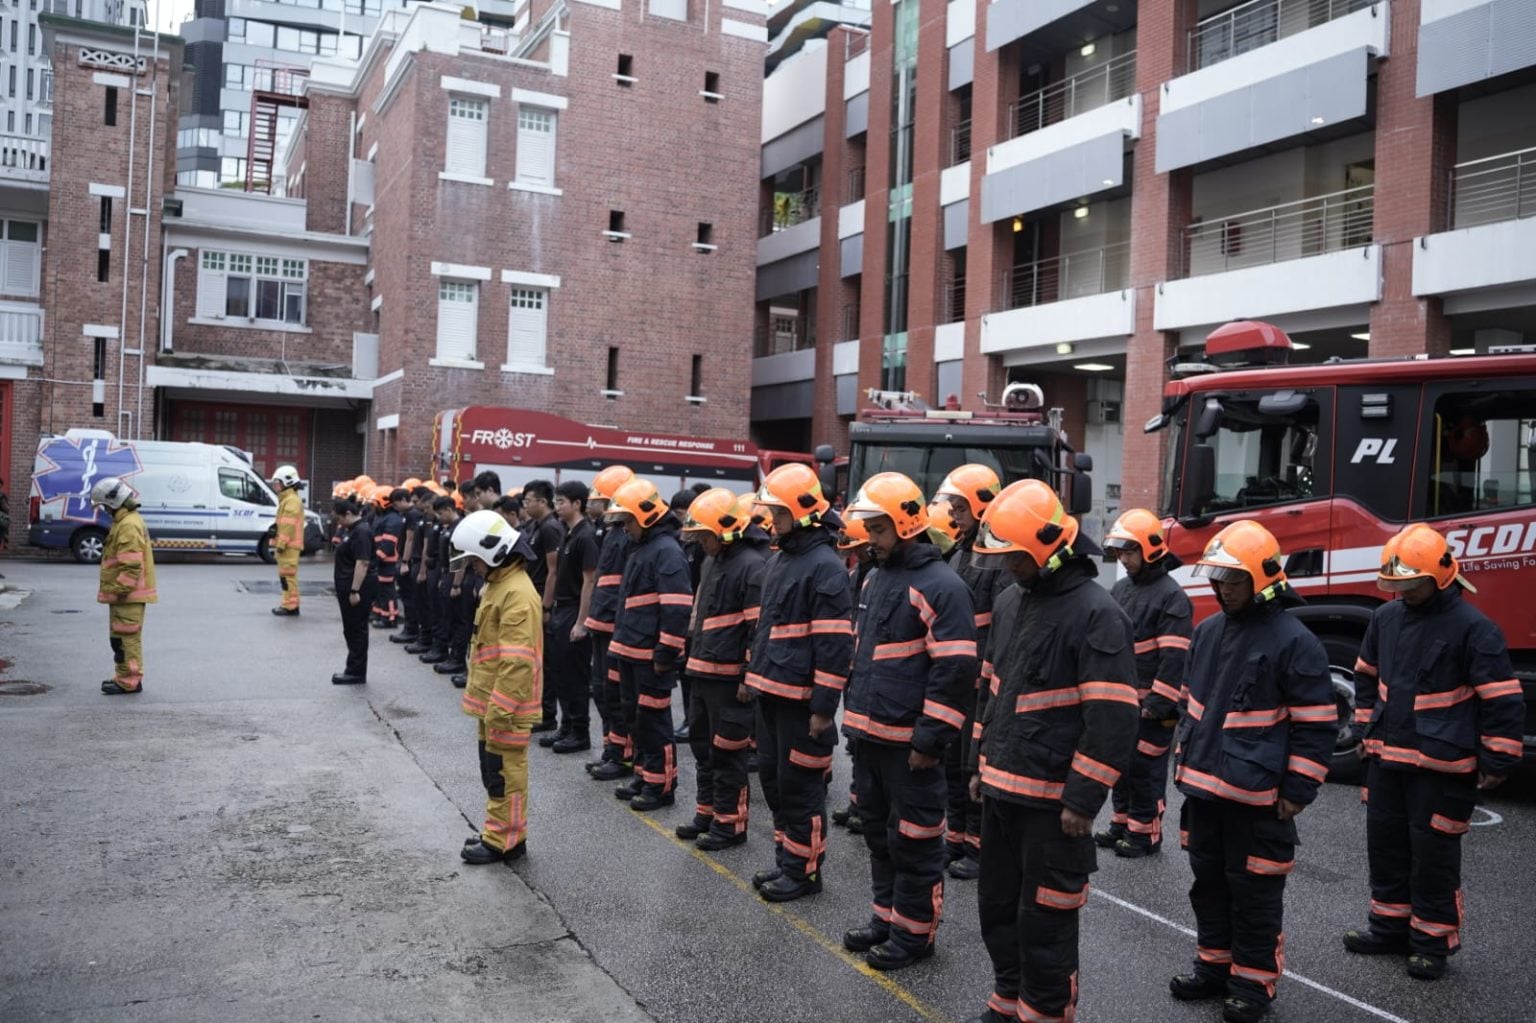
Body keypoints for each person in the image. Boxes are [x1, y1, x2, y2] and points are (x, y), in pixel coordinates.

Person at [964, 480, 1138, 1023]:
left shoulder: (1097, 613)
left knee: (1046, 919)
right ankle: (1008, 998)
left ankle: (1044, 1012)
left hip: (1053, 804)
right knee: (997, 906)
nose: (1008, 566)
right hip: (1002, 788)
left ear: (1047, 550)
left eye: (1015, 557)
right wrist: (977, 764)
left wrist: (1083, 801)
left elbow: (1112, 719)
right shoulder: (1011, 600)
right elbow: (991, 688)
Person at [1170, 520, 1336, 1023]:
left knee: (1255, 893)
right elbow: (1189, 706)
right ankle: (1214, 967)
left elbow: (1316, 725)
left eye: (1233, 581)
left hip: (1259, 798)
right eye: (1217, 580)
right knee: (1208, 884)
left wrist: (1299, 789)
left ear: (1263, 579)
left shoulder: (1295, 640)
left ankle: (1253, 984)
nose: (1221, 590)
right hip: (1204, 790)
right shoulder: (1208, 631)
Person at [1343, 523, 1522, 981]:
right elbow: (1365, 678)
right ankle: (1387, 928)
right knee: (1386, 847)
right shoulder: (1386, 619)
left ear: (1439, 576)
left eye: (1410, 584)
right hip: (1387, 759)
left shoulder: (1474, 628)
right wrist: (1365, 729)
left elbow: (1501, 697)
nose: (1401, 591)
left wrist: (1498, 757)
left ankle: (1432, 942)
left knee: (1433, 855)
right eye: (1396, 584)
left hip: (1441, 766)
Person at [839, 472, 977, 970]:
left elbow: (956, 670)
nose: (869, 540)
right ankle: (887, 919)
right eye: (868, 530)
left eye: (878, 530)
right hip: (872, 737)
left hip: (910, 746)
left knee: (915, 842)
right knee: (879, 835)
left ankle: (914, 936)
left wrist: (930, 739)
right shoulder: (877, 578)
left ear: (905, 524)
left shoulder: (942, 586)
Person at [745, 463, 854, 903]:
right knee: (774, 782)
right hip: (771, 692)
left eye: (779, 513)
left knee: (801, 788)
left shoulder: (824, 565)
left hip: (802, 701)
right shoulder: (782, 560)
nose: (773, 521)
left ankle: (805, 873)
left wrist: (824, 708)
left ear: (803, 513)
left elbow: (833, 646)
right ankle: (787, 862)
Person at [676, 488, 769, 850]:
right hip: (702, 670)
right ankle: (707, 812)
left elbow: (758, 628)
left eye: (704, 536)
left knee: (728, 751)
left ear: (726, 530)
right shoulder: (712, 560)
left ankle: (730, 825)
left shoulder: (751, 565)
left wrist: (748, 673)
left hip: (730, 677)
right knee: (702, 746)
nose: (701, 542)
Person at [1098, 507, 1192, 859]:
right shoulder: (1121, 589)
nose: (1124, 558)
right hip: (1122, 701)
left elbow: (1175, 658)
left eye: (1130, 551)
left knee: (1146, 769)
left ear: (1151, 550)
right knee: (1121, 767)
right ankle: (1121, 825)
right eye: (1120, 552)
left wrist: (1159, 702)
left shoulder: (1172, 597)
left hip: (1154, 707)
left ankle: (1144, 834)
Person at [452, 509, 543, 864]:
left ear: (492, 553)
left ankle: (505, 841)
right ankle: (500, 831)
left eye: (474, 559)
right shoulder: (499, 585)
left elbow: (518, 662)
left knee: (506, 775)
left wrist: (501, 709)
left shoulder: (516, 593)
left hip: (506, 708)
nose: (472, 566)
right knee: (494, 772)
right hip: (494, 704)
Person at [933, 463, 1010, 881]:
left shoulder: (996, 558)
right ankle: (957, 838)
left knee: (972, 763)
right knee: (952, 760)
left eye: (961, 507)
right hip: (958, 674)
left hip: (981, 678)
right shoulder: (963, 550)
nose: (955, 515)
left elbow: (1000, 625)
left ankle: (979, 849)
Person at [606, 479, 693, 811]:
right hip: (631, 650)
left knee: (654, 722)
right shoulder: (642, 547)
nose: (625, 528)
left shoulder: (666, 551)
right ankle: (645, 777)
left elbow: (676, 607)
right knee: (636, 719)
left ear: (645, 516)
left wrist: (665, 652)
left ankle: (662, 786)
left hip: (650, 656)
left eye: (628, 521)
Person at [584, 465, 638, 780]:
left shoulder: (624, 537)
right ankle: (611, 750)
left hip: (614, 627)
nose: (597, 506)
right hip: (603, 625)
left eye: (602, 501)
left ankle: (622, 755)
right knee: (603, 692)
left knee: (615, 696)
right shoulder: (613, 534)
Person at [543, 479, 600, 753]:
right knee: (560, 673)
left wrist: (581, 622)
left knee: (575, 676)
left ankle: (580, 732)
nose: (557, 507)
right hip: (561, 609)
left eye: (561, 502)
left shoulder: (586, 536)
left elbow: (590, 581)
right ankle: (565, 726)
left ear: (577, 503)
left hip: (574, 609)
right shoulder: (569, 533)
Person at [91, 477, 157, 695]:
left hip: (127, 596)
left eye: (103, 506)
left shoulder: (128, 525)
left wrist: (118, 591)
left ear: (112, 503)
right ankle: (124, 677)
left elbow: (130, 566)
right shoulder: (125, 521)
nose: (103, 510)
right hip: (124, 596)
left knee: (127, 640)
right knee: (119, 640)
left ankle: (129, 681)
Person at [522, 479, 566, 733]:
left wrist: (546, 607)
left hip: (541, 598)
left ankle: (547, 715)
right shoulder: (536, 526)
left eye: (529, 501)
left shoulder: (550, 528)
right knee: (536, 660)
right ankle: (538, 709)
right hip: (533, 595)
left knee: (545, 661)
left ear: (542, 501)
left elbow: (553, 571)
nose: (525, 505)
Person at [331, 498, 379, 685]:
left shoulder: (361, 532)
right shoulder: (353, 530)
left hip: (358, 588)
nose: (338, 523)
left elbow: (363, 562)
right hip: (349, 587)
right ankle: (353, 668)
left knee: (356, 629)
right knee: (351, 629)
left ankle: (356, 672)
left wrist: (354, 590)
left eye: (339, 519)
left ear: (349, 514)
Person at [269, 464, 305, 617]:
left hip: (288, 547)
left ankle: (291, 607)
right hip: (288, 546)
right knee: (286, 578)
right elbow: (284, 524)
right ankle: (289, 604)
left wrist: (281, 544)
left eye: (277, 483)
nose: (275, 486)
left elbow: (288, 526)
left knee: (288, 578)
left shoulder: (291, 501)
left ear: (287, 482)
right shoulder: (288, 500)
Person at [371, 486, 406, 629]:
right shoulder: (385, 517)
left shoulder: (392, 519)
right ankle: (381, 614)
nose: (374, 507)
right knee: (381, 590)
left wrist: (376, 558)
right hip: (382, 561)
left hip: (387, 562)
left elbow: (388, 543)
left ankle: (390, 618)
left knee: (387, 591)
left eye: (376, 503)